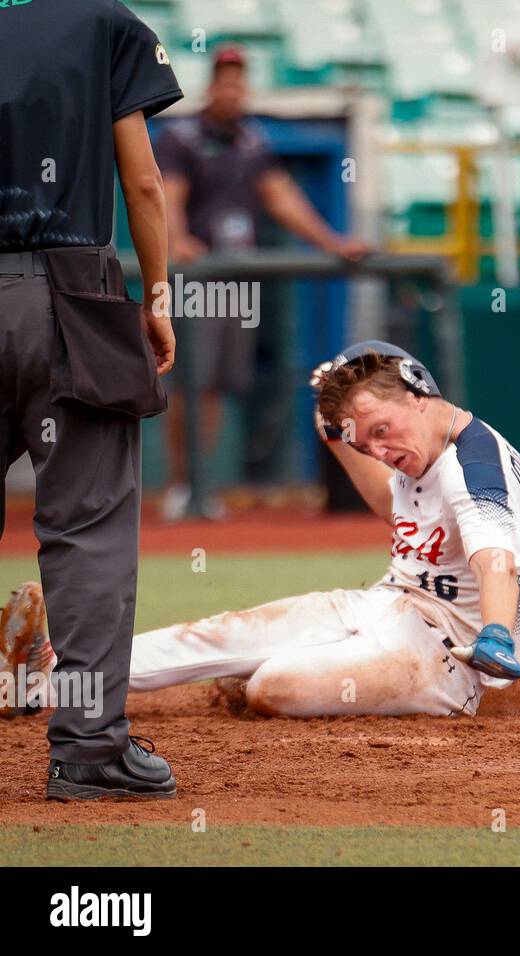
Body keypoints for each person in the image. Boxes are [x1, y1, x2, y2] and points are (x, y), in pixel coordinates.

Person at [9, 343, 520, 720]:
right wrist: (338, 435)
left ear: (418, 395)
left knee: (270, 685)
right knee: (222, 632)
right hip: (387, 604)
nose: (379, 452)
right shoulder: (422, 450)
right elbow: (394, 504)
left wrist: (496, 632)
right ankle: (48, 679)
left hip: (452, 658)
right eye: (366, 446)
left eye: (382, 432)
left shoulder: (475, 469)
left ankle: (285, 672)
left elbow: (493, 555)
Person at [0, 0, 181, 800]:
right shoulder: (103, 21)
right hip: (69, 291)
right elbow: (141, 177)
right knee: (88, 524)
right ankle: (88, 750)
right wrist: (159, 292)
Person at [153, 45, 371, 521]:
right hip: (200, 277)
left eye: (240, 81)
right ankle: (180, 486)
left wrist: (332, 242)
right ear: (211, 86)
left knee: (218, 386)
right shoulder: (182, 136)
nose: (233, 90)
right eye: (225, 81)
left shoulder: (252, 142)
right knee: (194, 382)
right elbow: (167, 196)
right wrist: (179, 238)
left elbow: (282, 198)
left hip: (238, 278)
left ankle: (201, 485)